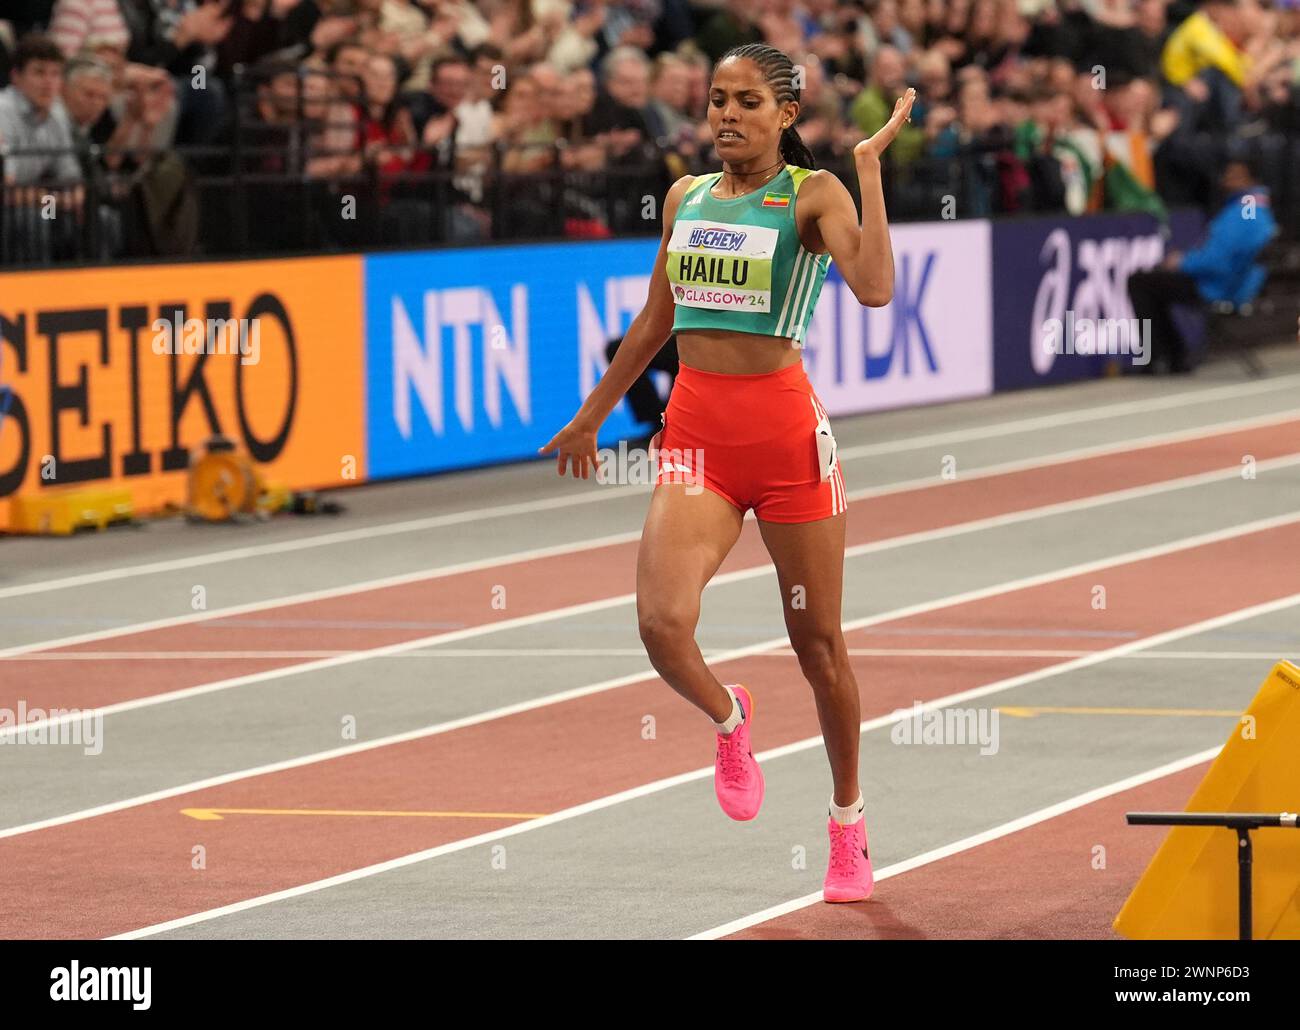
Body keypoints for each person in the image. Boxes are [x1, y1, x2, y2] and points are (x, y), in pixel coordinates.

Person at [539, 41, 913, 905]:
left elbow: (877, 287)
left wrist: (866, 169)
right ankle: (729, 717)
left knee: (817, 647)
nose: (727, 116)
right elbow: (653, 321)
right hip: (697, 436)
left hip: (785, 442)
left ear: (786, 115)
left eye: (747, 102)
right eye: (716, 101)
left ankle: (847, 823)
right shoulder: (686, 197)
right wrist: (593, 414)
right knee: (660, 622)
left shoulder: (810, 195)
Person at [1126, 156, 1276, 373]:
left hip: (1218, 285)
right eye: (1228, 175)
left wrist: (1183, 262)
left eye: (1236, 176)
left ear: (1251, 179)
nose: (1227, 180)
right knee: (1149, 283)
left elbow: (1221, 258)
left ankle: (1161, 356)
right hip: (1223, 281)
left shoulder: (1248, 208)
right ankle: (1174, 355)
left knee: (1140, 283)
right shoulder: (1251, 207)